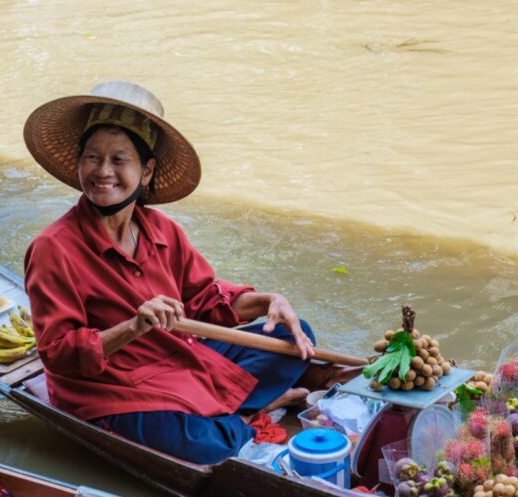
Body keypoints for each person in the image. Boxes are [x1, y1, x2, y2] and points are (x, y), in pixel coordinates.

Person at [22, 81, 316, 464]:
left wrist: (270, 302)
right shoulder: (53, 248)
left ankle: (228, 413)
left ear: (146, 172)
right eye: (92, 158)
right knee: (206, 446)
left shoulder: (162, 229)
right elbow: (58, 354)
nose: (102, 172)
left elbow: (205, 302)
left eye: (119, 159)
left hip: (176, 355)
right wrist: (134, 326)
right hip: (112, 385)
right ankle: (251, 412)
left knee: (295, 337)